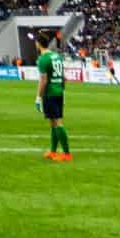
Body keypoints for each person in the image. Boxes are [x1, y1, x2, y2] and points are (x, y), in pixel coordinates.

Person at [36, 32, 71, 163]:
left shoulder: (43, 59)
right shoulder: (56, 56)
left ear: (39, 44)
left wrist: (38, 97)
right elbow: (63, 77)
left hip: (50, 93)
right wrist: (63, 91)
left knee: (57, 123)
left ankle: (67, 154)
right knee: (52, 123)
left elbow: (43, 80)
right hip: (59, 92)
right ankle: (53, 151)